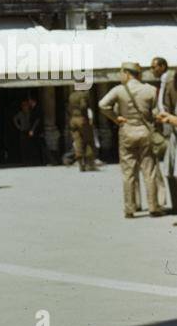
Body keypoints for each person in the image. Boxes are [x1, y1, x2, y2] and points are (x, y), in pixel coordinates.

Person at [99, 63, 169, 219]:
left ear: (126, 73)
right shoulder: (150, 90)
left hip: (127, 131)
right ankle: (153, 207)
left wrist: (116, 118)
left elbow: (102, 104)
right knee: (149, 170)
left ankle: (130, 209)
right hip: (145, 132)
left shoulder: (119, 90)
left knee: (128, 172)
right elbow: (156, 113)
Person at [151, 57, 177, 212]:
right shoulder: (171, 83)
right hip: (173, 135)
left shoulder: (169, 79)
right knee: (171, 172)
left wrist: (172, 119)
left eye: (154, 66)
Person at [66, 87, 96, 172]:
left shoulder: (71, 95)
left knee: (77, 141)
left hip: (73, 119)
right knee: (88, 140)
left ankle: (80, 164)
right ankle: (89, 164)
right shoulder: (83, 95)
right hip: (81, 119)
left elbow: (68, 107)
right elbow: (83, 106)